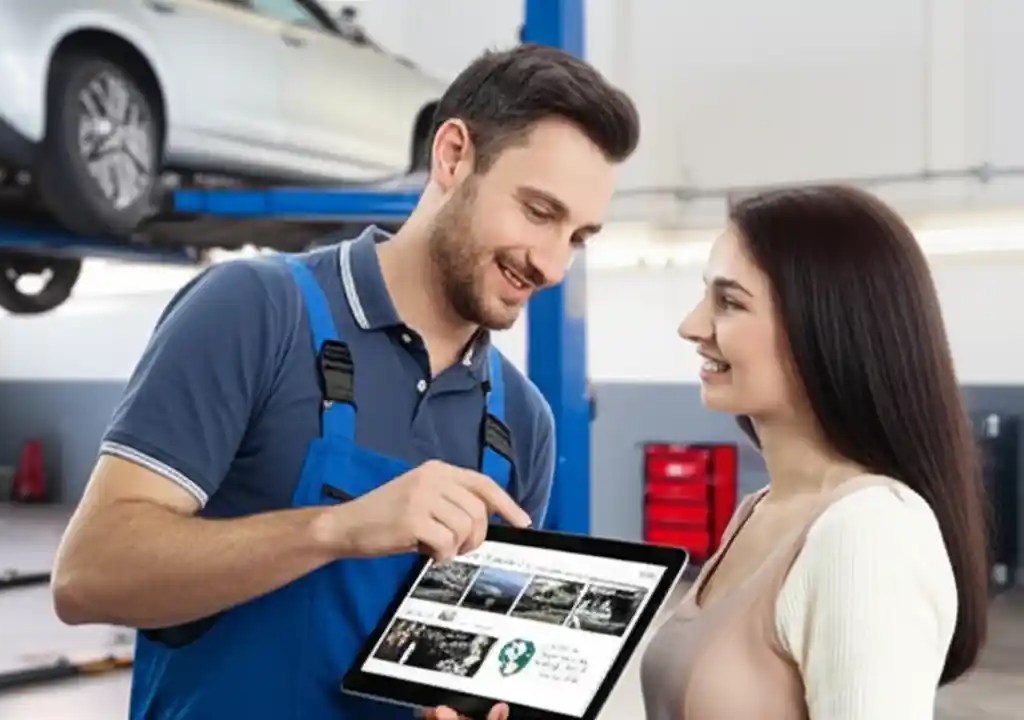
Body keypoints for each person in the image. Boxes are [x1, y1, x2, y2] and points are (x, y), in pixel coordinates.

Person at [49, 43, 641, 720]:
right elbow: (88, 576)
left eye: (579, 236)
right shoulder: (255, 311)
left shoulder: (521, 424)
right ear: (453, 156)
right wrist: (338, 528)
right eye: (539, 213)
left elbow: (466, 673)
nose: (553, 264)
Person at [434, 184, 991, 720]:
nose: (691, 325)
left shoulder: (868, 534)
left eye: (728, 302)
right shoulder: (760, 512)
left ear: (822, 326)